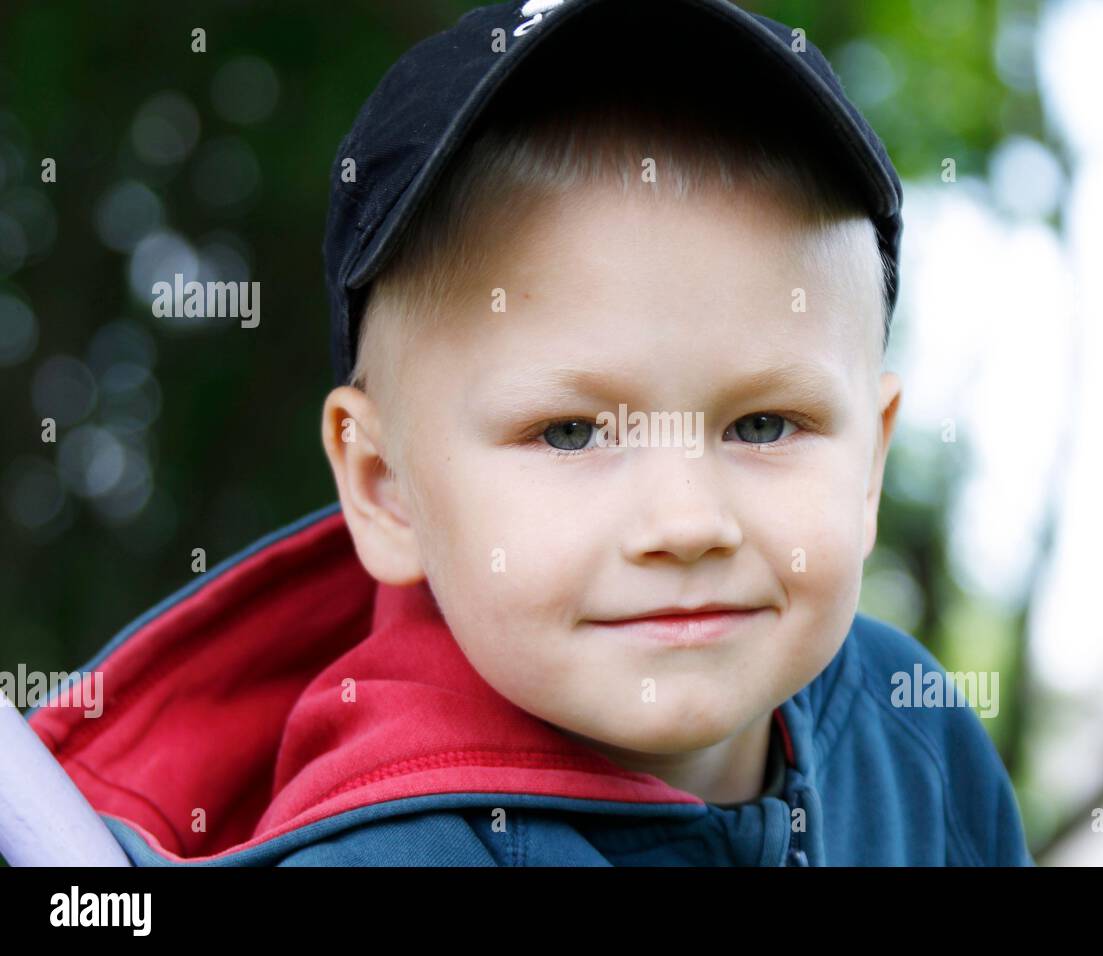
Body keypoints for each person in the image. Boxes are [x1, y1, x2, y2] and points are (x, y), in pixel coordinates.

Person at [24, 0, 1035, 866]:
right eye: (569, 432)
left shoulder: (916, 743)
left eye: (764, 422)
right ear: (384, 487)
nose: (684, 522)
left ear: (870, 462)